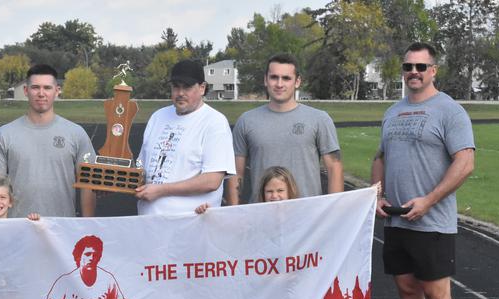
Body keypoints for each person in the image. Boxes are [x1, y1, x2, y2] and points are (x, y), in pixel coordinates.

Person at [372, 42, 475, 299]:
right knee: (408, 294)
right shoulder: (393, 111)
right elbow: (380, 157)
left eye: (420, 66)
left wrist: (429, 201)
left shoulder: (449, 111)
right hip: (398, 222)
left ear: (433, 71)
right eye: (408, 66)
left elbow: (465, 162)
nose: (413, 72)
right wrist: (378, 194)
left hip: (433, 222)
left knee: (437, 295)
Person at [225, 53, 343, 205]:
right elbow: (236, 173)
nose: (279, 84)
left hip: (307, 216)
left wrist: (335, 210)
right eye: (274, 77)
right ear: (265, 80)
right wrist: (234, 211)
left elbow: (334, 167)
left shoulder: (319, 119)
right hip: (262, 214)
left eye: (286, 78)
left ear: (297, 81)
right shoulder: (246, 121)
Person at [0, 64, 96, 218]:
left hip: (61, 229)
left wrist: (87, 224)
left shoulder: (76, 134)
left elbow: (88, 185)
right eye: (35, 87)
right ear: (26, 91)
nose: (41, 93)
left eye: (47, 88)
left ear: (57, 91)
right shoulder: (5, 134)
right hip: (19, 228)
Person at [135, 59, 236, 215]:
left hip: (191, 226)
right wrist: (112, 183)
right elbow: (141, 170)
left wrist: (161, 190)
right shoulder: (158, 117)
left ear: (202, 88)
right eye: (176, 87)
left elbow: (212, 180)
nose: (180, 93)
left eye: (187, 87)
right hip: (150, 224)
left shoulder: (215, 122)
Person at [196, 166, 300, 213]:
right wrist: (209, 214)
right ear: (262, 193)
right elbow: (228, 227)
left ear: (290, 191)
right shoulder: (253, 215)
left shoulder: (301, 214)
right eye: (269, 191)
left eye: (280, 190)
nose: (274, 196)